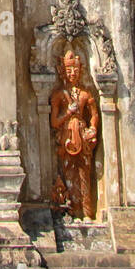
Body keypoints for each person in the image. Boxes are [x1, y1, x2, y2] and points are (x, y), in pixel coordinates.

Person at [50, 49, 99, 220]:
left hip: (82, 136)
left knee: (85, 174)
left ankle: (87, 212)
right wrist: (69, 114)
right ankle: (73, 210)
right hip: (67, 137)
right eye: (69, 70)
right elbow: (54, 122)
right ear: (62, 72)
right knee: (69, 175)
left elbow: (94, 114)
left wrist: (92, 128)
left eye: (76, 70)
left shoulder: (86, 94)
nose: (73, 74)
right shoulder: (59, 95)